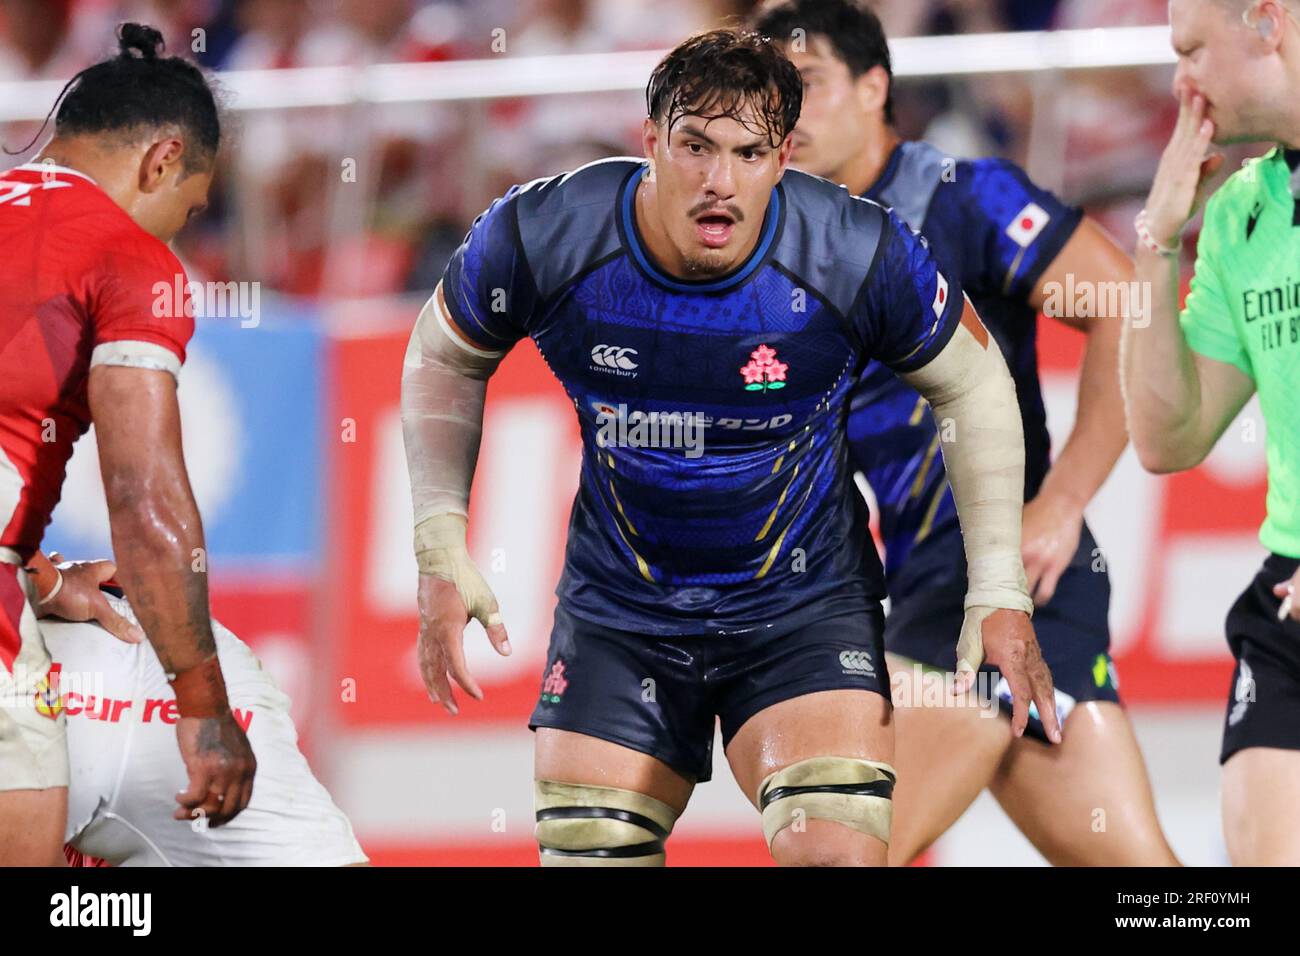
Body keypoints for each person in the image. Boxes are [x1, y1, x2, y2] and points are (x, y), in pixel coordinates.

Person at [402, 29, 1059, 867]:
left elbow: (973, 384)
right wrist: (436, 539)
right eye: (695, 146)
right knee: (588, 852)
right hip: (620, 613)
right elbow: (444, 353)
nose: (719, 181)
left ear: (784, 156)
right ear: (649, 140)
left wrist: (997, 588)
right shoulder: (549, 231)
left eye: (749, 153)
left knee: (835, 856)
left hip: (801, 609)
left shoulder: (856, 249)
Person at [752, 0, 1178, 866]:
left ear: (876, 87)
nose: (783, 114)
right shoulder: (786, 251)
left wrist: (1061, 504)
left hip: (1000, 580)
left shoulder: (961, 197)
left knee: (844, 853)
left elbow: (1125, 303)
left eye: (806, 85)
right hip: (933, 595)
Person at [0, 23, 255, 866]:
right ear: (161, 160)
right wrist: (205, 706)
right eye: (184, 211)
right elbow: (143, 499)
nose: (175, 238)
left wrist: (34, 575)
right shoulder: (127, 256)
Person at [1124, 0, 1300, 866]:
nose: (1178, 80)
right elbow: (1170, 437)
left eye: (1191, 49)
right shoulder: (1241, 213)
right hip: (1290, 595)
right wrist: (1156, 245)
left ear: (1266, 22)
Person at [30, 556, 368, 867]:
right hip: (167, 645)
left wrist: (44, 584)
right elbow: (150, 518)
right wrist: (48, 581)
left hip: (37, 655)